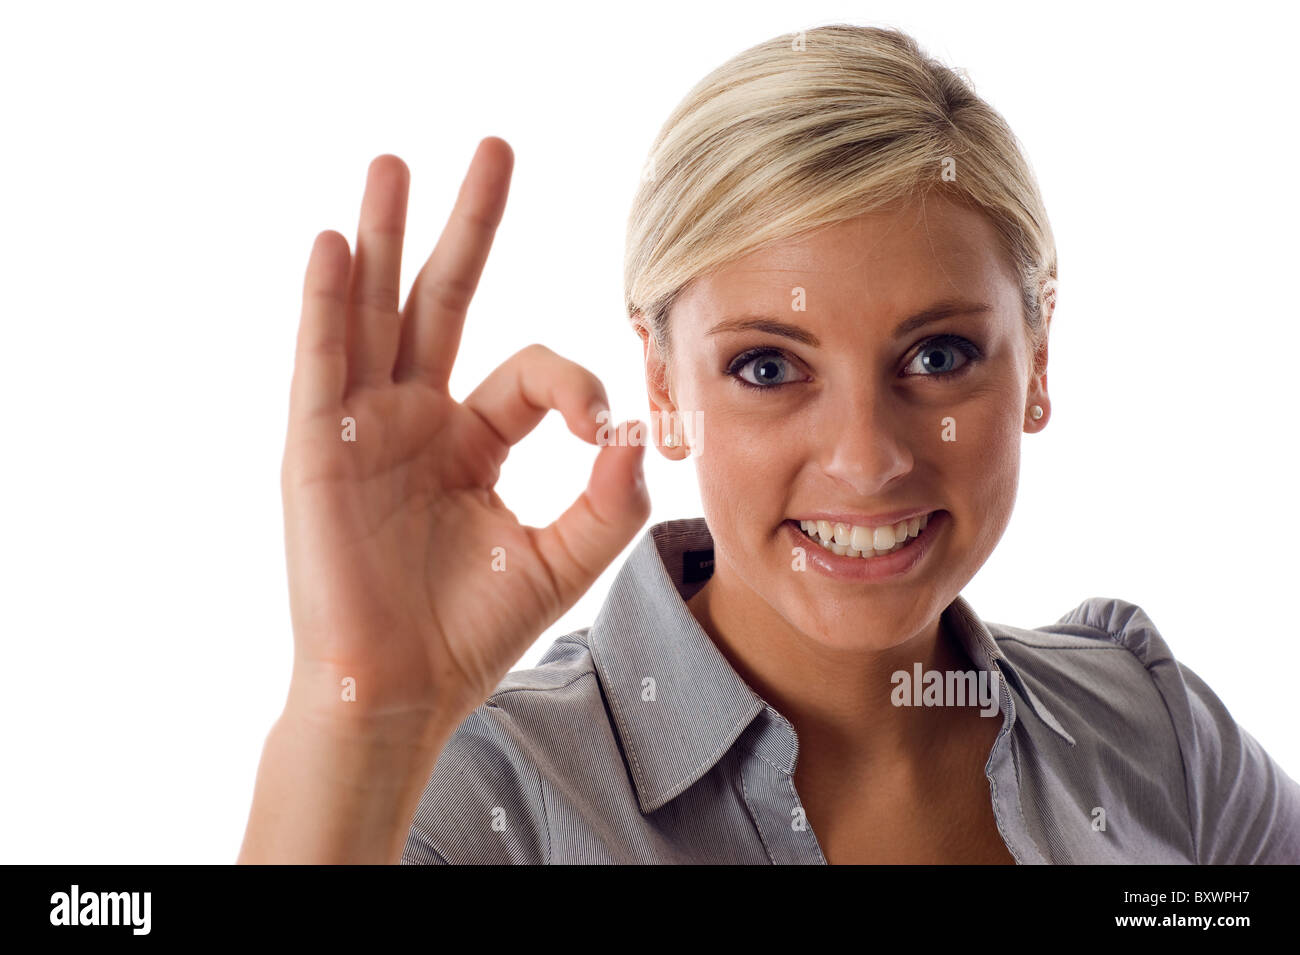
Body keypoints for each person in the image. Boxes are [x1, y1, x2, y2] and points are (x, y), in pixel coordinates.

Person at [238, 23, 1300, 864]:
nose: (866, 455)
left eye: (936, 356)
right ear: (661, 382)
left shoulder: (1149, 733)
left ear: (1037, 359)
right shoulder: (488, 806)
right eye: (766, 367)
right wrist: (358, 724)